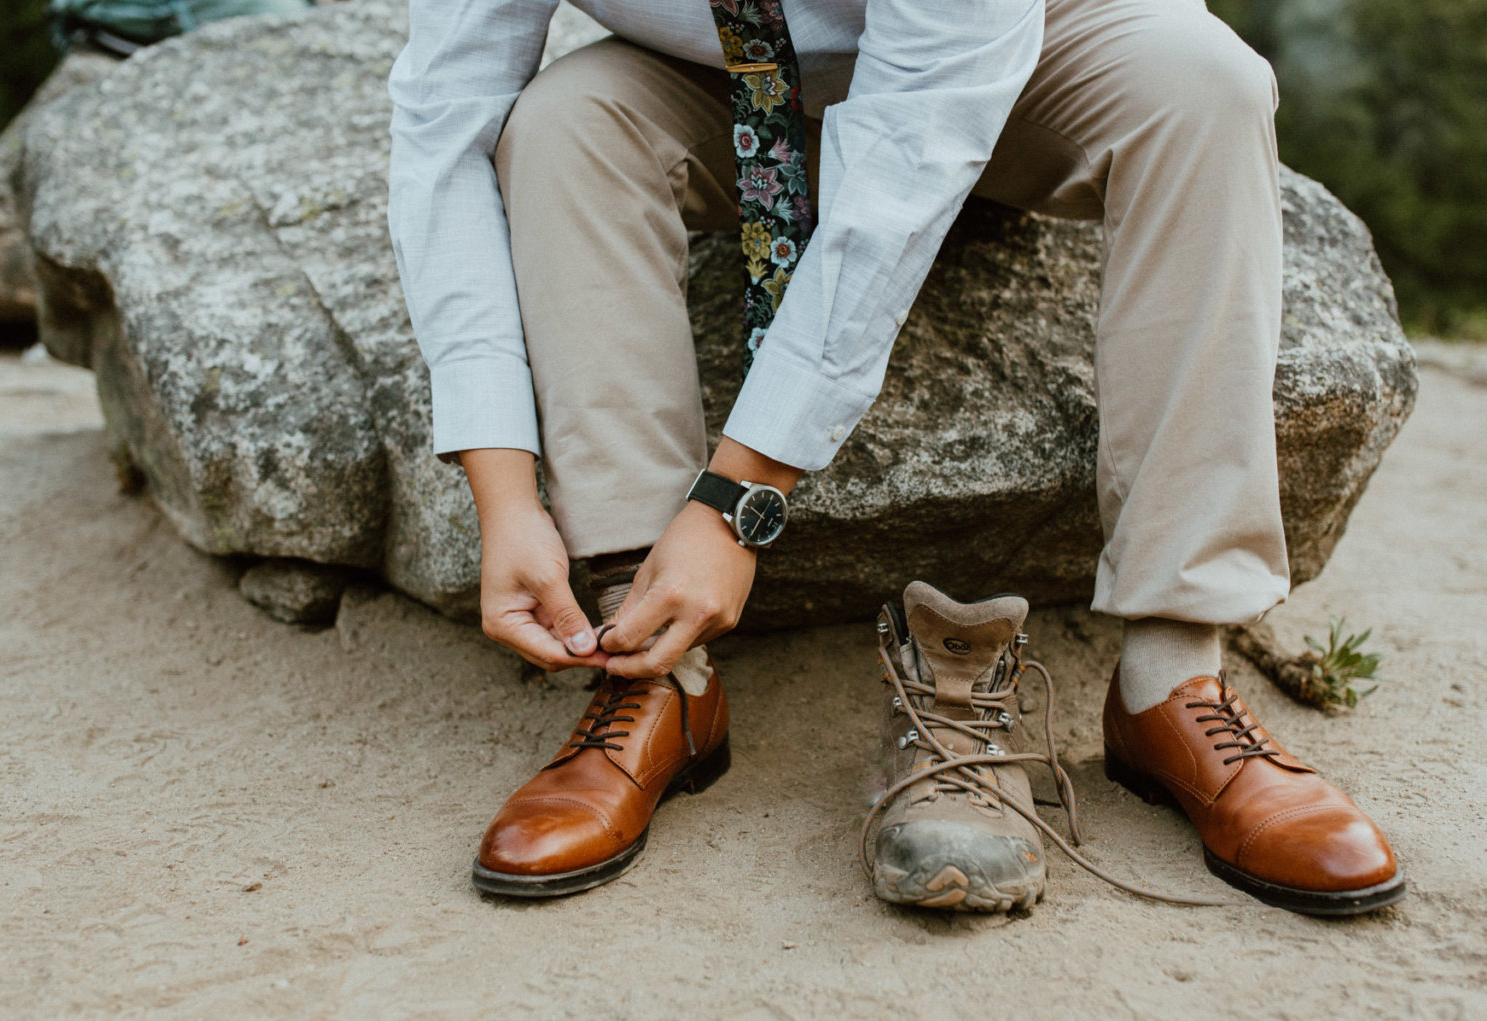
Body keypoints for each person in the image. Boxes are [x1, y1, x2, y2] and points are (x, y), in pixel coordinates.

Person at [386, 0, 1404, 915]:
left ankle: (1171, 683)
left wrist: (739, 497)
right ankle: (655, 674)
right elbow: (447, 125)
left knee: (1206, 86)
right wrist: (506, 494)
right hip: (741, 89)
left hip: (1017, 60)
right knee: (563, 124)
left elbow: (910, 157)